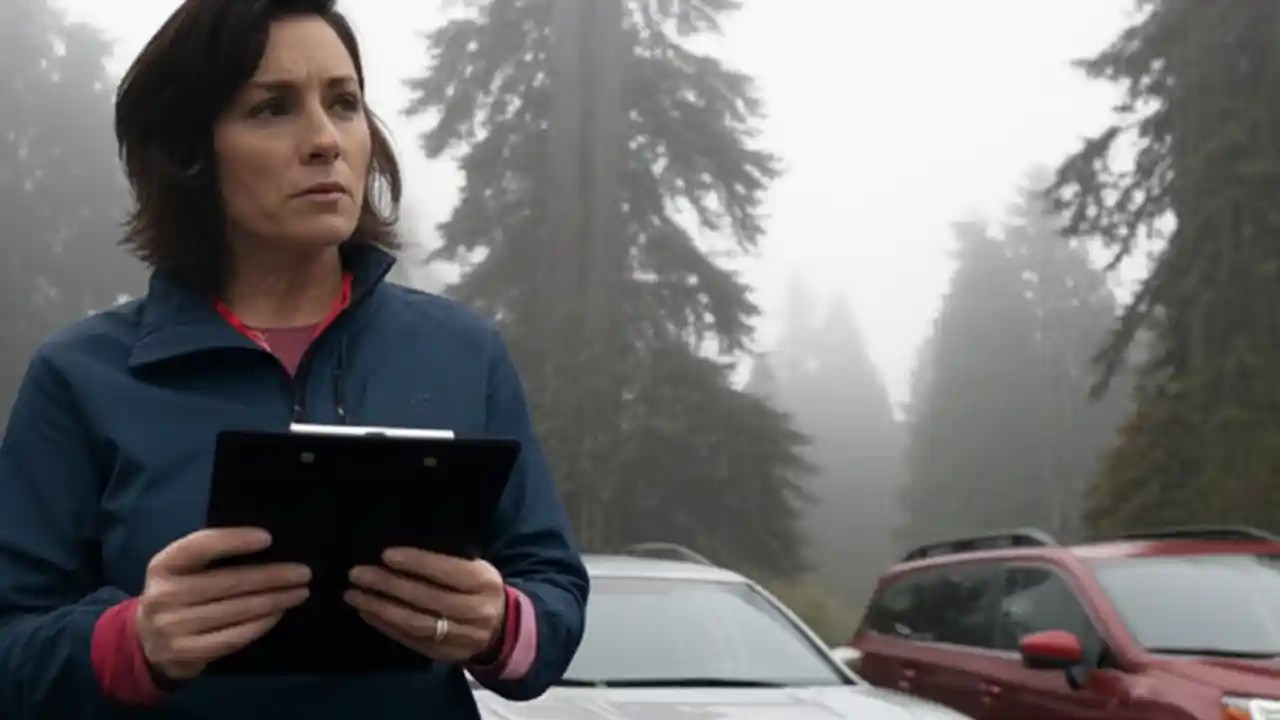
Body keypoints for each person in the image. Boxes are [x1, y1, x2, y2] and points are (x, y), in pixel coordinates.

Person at [0, 0, 588, 717]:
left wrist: (501, 624)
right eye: (271, 109)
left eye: (343, 103)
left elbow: (551, 593)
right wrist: (132, 643)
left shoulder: (463, 353)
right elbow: (12, 649)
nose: (325, 141)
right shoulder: (82, 376)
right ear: (189, 152)